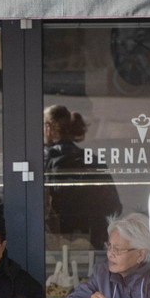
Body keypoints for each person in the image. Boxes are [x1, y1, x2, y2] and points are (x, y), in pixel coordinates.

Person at [44, 104, 120, 251]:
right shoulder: (91, 159)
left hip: (54, 243)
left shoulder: (43, 160)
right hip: (92, 242)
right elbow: (114, 206)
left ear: (48, 129)